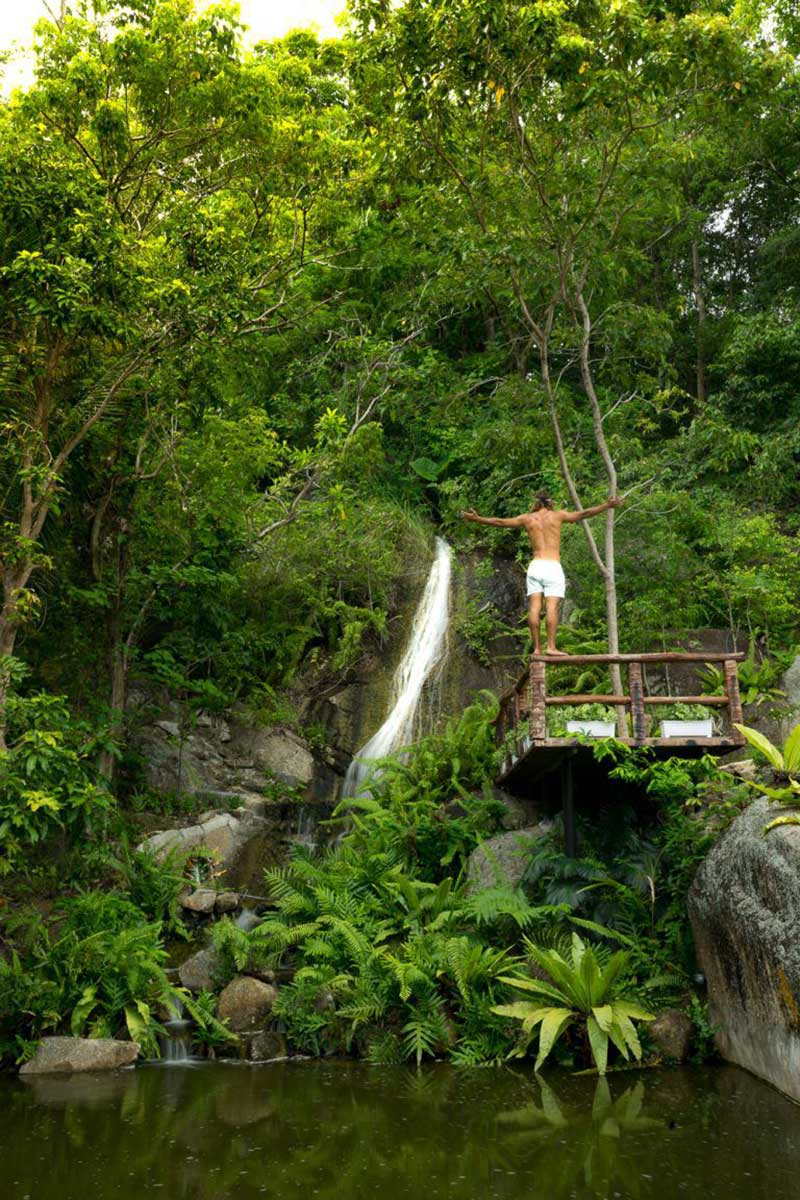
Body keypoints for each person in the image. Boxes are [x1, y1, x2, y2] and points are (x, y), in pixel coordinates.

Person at [461, 492, 624, 655]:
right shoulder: (558, 516)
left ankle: (537, 649)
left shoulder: (528, 518)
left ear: (536, 503)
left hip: (535, 566)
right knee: (551, 608)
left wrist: (478, 518)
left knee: (534, 608)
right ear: (550, 503)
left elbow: (500, 522)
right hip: (552, 566)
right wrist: (607, 505)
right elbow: (583, 514)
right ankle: (551, 647)